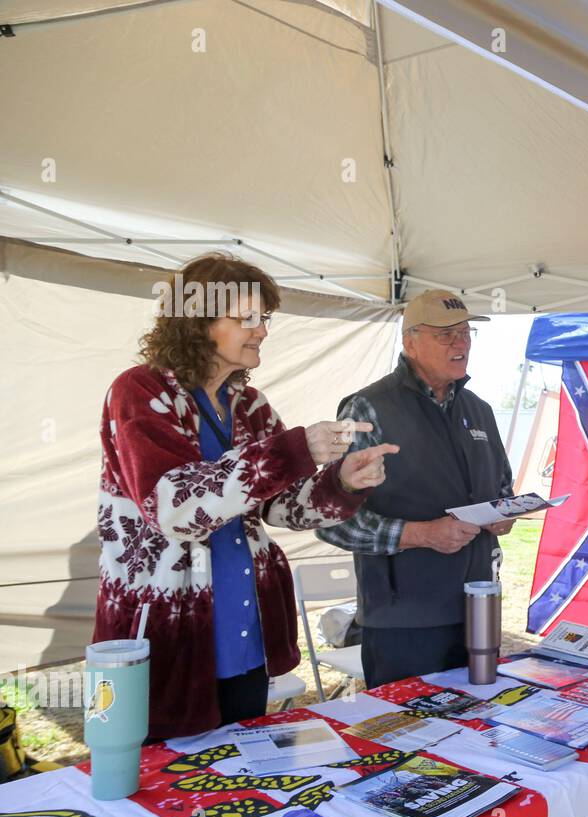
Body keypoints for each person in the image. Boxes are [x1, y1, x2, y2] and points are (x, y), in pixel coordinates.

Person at [95, 253, 396, 739]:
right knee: (165, 791)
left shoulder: (250, 405)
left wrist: (341, 481)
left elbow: (281, 505)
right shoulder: (140, 391)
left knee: (240, 782)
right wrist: (294, 448)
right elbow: (173, 507)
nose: (262, 330)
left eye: (265, 318)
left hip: (242, 635)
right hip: (164, 639)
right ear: (198, 320)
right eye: (247, 318)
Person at [318, 290, 514, 686]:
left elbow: (502, 488)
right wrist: (421, 535)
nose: (461, 343)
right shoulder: (368, 409)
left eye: (466, 332)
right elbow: (333, 520)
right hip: (403, 620)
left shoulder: (479, 410)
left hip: (478, 607)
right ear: (410, 342)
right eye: (446, 335)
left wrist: (503, 514)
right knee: (406, 737)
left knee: (478, 730)